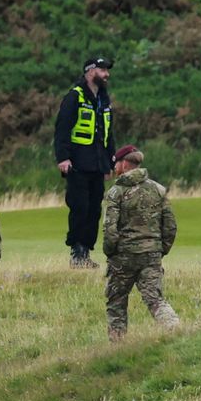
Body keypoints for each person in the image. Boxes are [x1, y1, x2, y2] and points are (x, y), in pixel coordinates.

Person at [102, 144, 180, 341]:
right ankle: (174, 328)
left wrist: (110, 253)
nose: (114, 167)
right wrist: (160, 250)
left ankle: (117, 347)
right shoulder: (158, 190)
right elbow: (170, 226)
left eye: (116, 164)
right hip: (151, 254)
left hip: (123, 257)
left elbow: (110, 230)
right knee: (155, 299)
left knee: (116, 302)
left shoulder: (115, 192)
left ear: (124, 164)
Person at [54, 56, 115, 268]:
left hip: (98, 164)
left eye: (107, 70)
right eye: (102, 70)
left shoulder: (104, 99)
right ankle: (77, 253)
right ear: (90, 72)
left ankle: (86, 252)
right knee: (79, 207)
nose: (106, 74)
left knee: (94, 209)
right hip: (77, 164)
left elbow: (109, 134)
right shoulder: (75, 96)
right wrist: (63, 157)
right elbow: (62, 129)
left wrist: (110, 162)